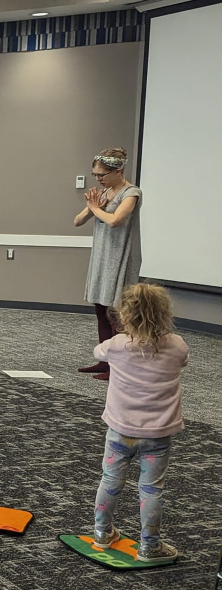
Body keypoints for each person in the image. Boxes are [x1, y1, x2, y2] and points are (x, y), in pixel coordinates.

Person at [89, 283, 188, 562]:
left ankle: (102, 533)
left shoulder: (116, 345)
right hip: (158, 434)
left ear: (124, 315)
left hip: (120, 431)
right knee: (152, 489)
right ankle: (149, 546)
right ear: (165, 313)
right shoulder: (177, 345)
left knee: (110, 480)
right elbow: (183, 361)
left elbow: (98, 352)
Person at [74, 148, 141, 381]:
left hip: (120, 257)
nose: (98, 179)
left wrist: (96, 209)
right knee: (101, 311)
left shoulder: (131, 193)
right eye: (95, 175)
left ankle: (118, 367)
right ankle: (105, 361)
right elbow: (77, 221)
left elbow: (115, 221)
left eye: (102, 175)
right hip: (102, 258)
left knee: (117, 314)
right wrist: (92, 207)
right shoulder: (103, 194)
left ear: (118, 171)